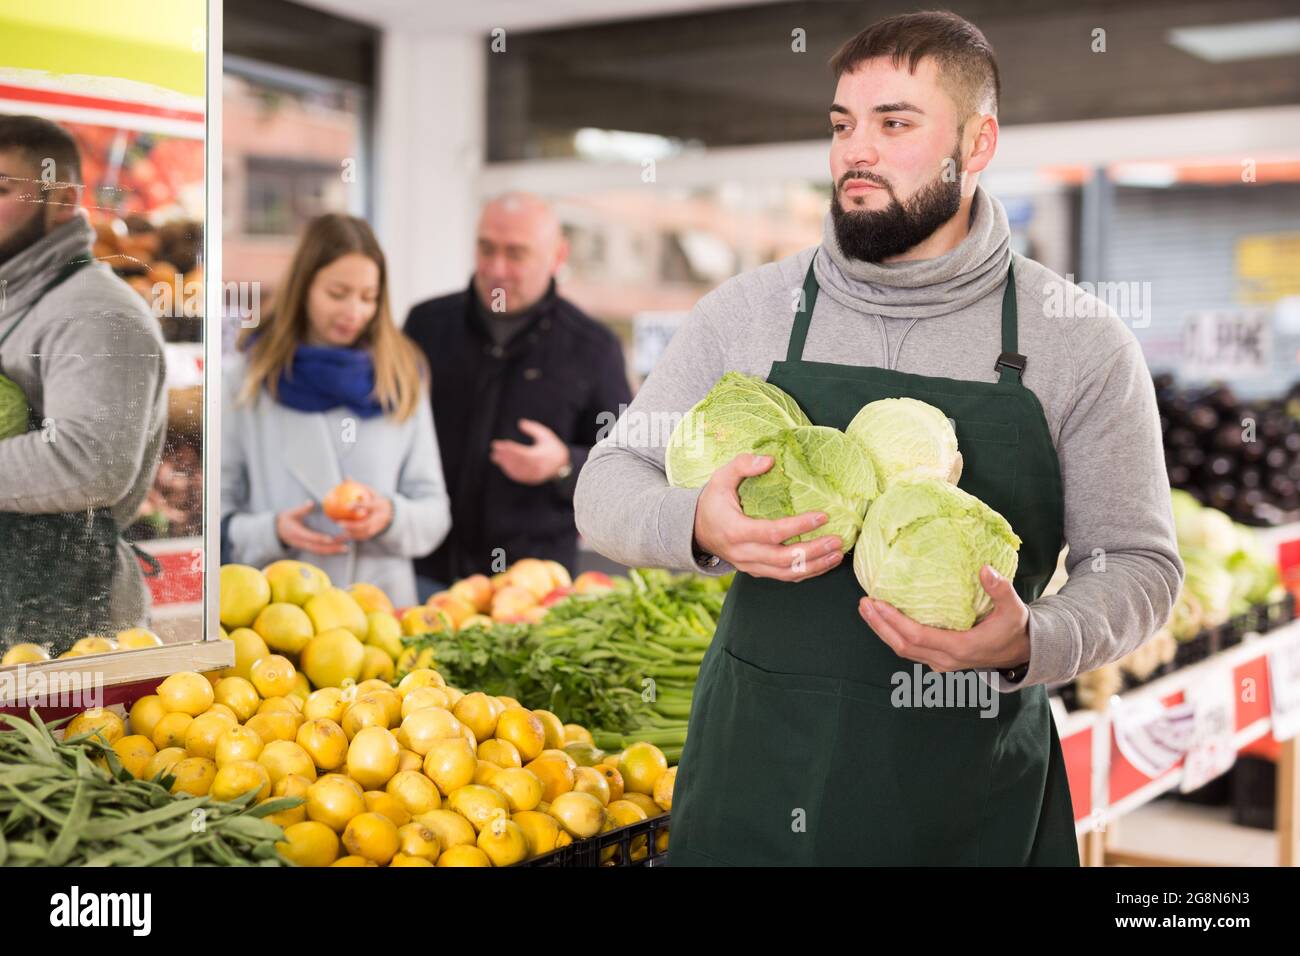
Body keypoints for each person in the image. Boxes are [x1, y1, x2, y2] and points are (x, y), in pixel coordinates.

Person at [574, 11, 1184, 866]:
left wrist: (1032, 640)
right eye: (841, 125)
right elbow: (607, 484)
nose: (854, 151)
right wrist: (698, 524)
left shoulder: (1078, 340)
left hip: (961, 783)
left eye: (894, 123)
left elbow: (1140, 564)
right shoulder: (747, 314)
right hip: (760, 765)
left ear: (976, 145)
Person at [402, 192, 631, 597]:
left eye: (516, 253)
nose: (497, 268)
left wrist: (563, 463)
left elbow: (627, 463)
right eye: (486, 248)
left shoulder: (594, 348)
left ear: (557, 256)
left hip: (531, 587)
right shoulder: (425, 326)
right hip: (424, 572)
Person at [222, 213, 450, 608]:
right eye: (338, 293)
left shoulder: (401, 377)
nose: (354, 312)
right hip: (277, 620)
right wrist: (273, 531)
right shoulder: (247, 379)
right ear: (304, 287)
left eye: (368, 297)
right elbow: (217, 521)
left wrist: (391, 517)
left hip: (383, 617)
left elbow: (434, 514)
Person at [0, 115, 166, 651]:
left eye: (2, 188)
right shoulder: (19, 298)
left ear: (63, 200)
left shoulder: (97, 314)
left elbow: (90, 461)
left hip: (69, 624)